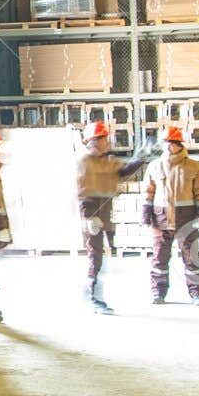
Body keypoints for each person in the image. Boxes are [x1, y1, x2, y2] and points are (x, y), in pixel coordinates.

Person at [76, 121, 153, 314]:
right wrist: (89, 217)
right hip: (92, 212)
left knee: (102, 255)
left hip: (104, 210)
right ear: (94, 141)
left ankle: (90, 292)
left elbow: (122, 172)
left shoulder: (107, 160)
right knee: (96, 256)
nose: (107, 142)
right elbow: (81, 190)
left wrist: (141, 158)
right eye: (103, 139)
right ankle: (94, 297)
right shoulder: (84, 161)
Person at [140, 127, 199, 305]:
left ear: (179, 145)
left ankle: (197, 294)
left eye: (171, 143)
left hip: (187, 218)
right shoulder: (155, 166)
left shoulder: (193, 166)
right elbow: (148, 191)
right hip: (160, 219)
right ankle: (158, 293)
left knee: (192, 257)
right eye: (165, 143)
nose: (168, 147)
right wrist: (145, 213)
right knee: (159, 258)